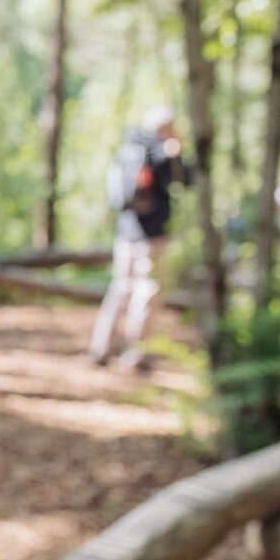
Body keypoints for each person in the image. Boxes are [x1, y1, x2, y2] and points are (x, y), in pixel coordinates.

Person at [89, 106, 188, 371]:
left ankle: (101, 347)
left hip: (125, 234)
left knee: (120, 289)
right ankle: (136, 354)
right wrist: (175, 155)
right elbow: (186, 181)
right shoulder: (162, 152)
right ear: (165, 128)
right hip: (152, 237)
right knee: (147, 291)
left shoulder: (129, 150)